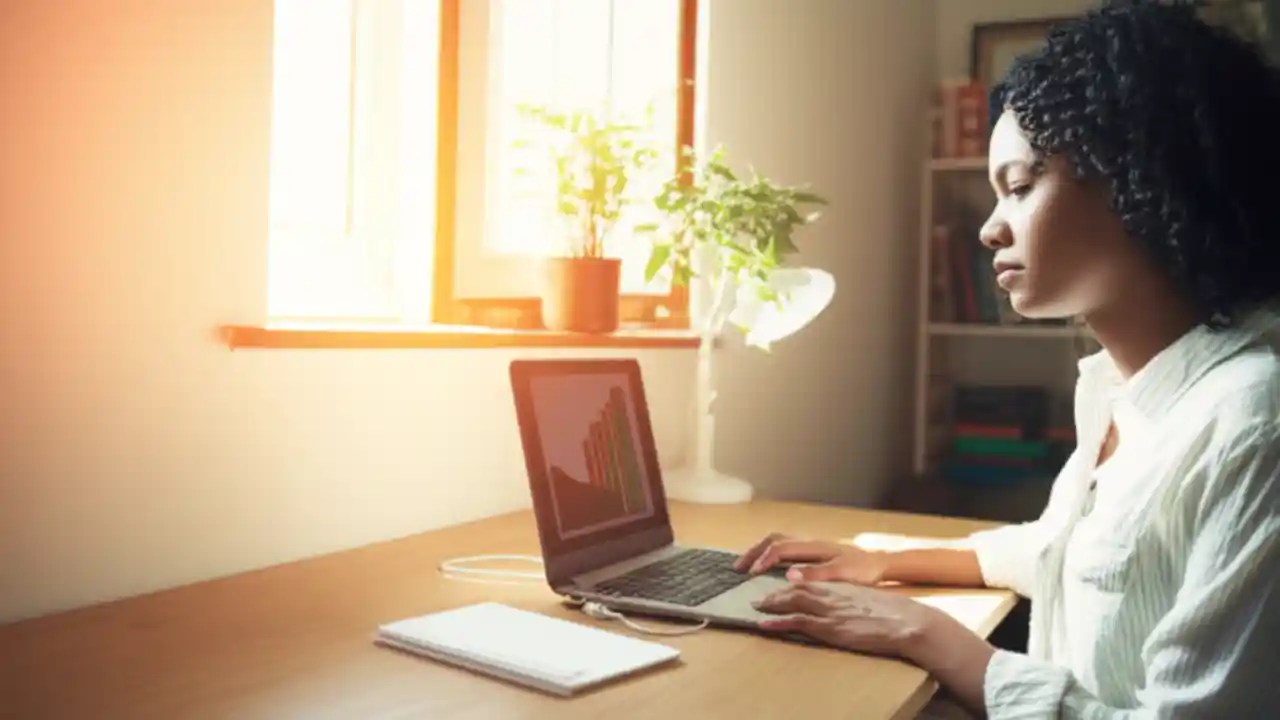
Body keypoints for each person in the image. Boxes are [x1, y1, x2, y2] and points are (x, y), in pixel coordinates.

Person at [736, 2, 1280, 717]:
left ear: (1142, 178)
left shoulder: (1252, 423)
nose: (991, 228)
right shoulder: (1125, 390)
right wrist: (885, 560)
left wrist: (934, 637)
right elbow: (1066, 551)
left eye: (1020, 188)